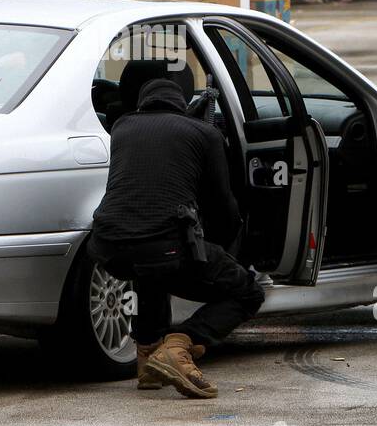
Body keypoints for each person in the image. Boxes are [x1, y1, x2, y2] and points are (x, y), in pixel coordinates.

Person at [88, 69, 264, 399]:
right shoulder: (204, 134)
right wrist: (225, 251)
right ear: (182, 103)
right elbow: (222, 205)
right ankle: (178, 346)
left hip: (107, 248)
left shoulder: (122, 128)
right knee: (247, 292)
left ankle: (148, 364)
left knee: (151, 270)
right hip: (162, 245)